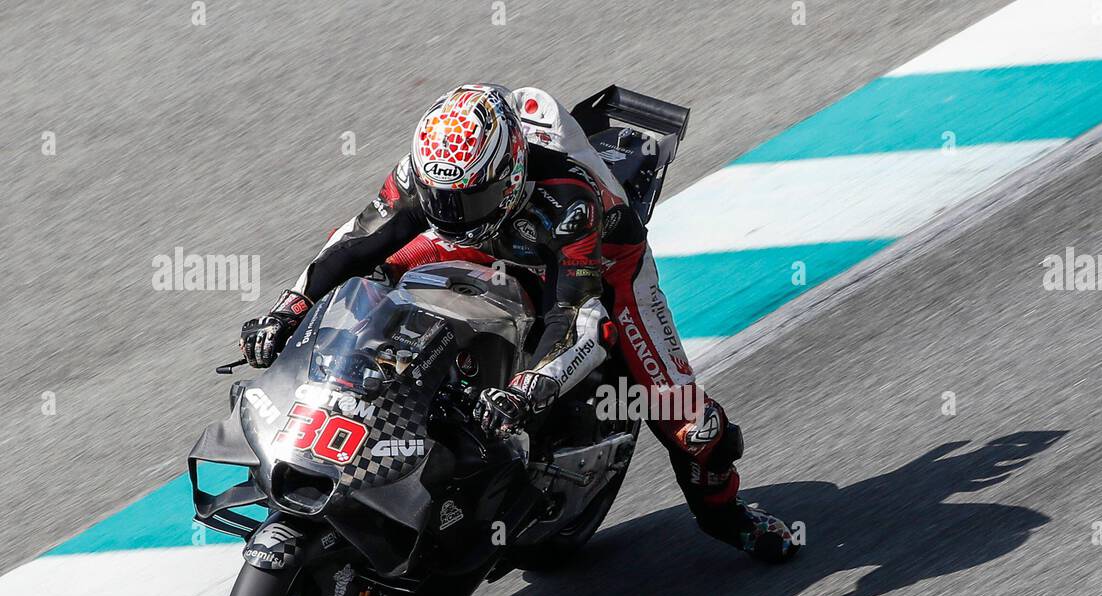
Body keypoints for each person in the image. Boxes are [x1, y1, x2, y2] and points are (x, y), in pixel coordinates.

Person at [239, 84, 796, 562]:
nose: (450, 211)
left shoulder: (570, 199)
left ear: (508, 176)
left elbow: (575, 311)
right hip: (489, 241)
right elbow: (354, 244)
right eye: (440, 197)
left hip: (596, 264)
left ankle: (727, 517)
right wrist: (289, 307)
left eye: (467, 197)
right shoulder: (435, 181)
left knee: (691, 426)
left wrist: (533, 383)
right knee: (369, 286)